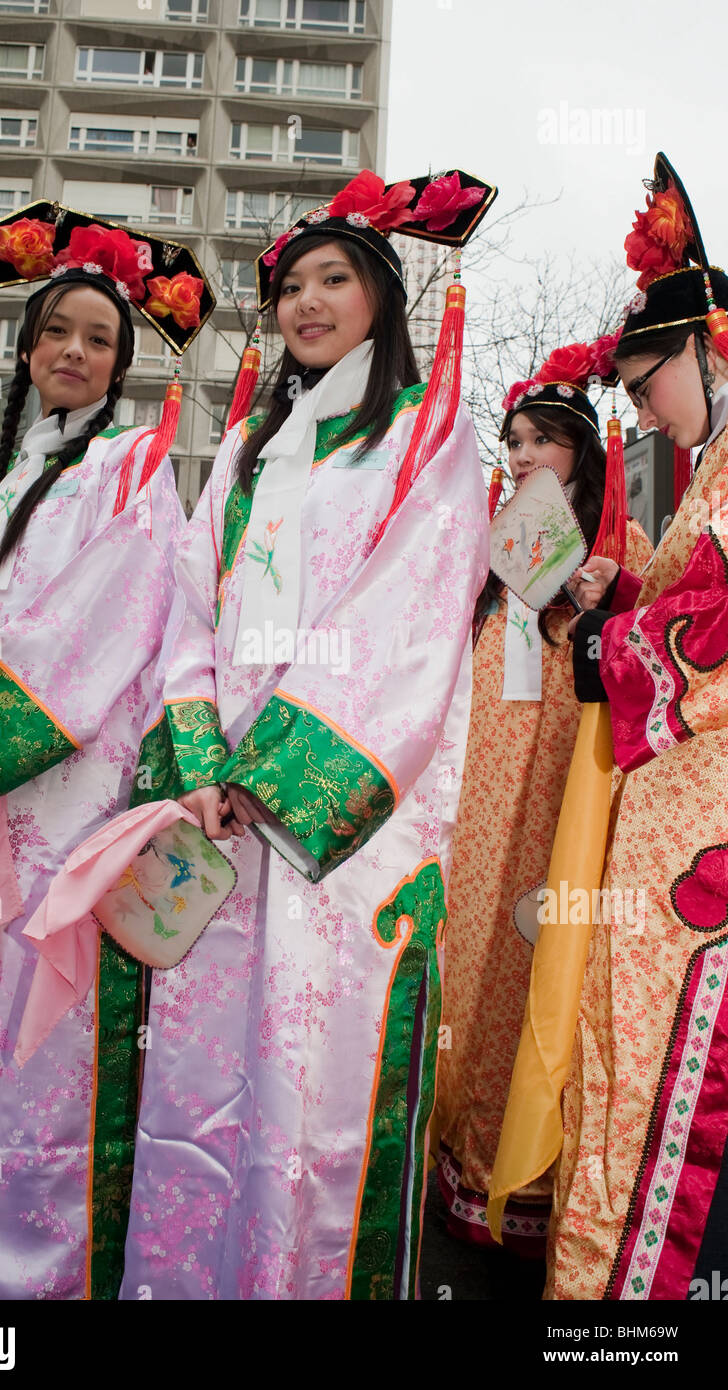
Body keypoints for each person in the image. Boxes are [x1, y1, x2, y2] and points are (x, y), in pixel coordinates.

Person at [120, 165, 496, 1300]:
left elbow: (413, 626)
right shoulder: (245, 453)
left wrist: (269, 777)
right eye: (290, 286)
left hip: (339, 827)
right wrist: (198, 764)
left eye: (334, 278)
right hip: (220, 816)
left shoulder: (429, 441)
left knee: (313, 1092)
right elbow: (190, 612)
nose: (307, 303)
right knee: (200, 1085)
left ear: (381, 292)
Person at [0, 204, 213, 1299]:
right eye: (56, 331)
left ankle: (22, 1270)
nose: (73, 350)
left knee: (32, 1032)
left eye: (98, 339)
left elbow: (110, 618)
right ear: (24, 349)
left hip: (58, 795)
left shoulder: (135, 473)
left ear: (121, 366)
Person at [547, 155, 728, 1299]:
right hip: (672, 817)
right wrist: (613, 605)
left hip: (707, 835)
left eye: (647, 377)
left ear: (710, 348)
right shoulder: (707, 475)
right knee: (635, 1058)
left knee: (680, 1079)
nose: (641, 406)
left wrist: (615, 646)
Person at [432, 343, 652, 1264]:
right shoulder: (481, 558)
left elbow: (651, 660)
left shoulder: (622, 548)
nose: (522, 457)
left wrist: (607, 600)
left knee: (542, 970)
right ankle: (454, 1172)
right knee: (471, 962)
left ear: (584, 454)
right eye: (515, 441)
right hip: (479, 797)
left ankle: (527, 1188)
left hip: (565, 798)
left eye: (544, 442)